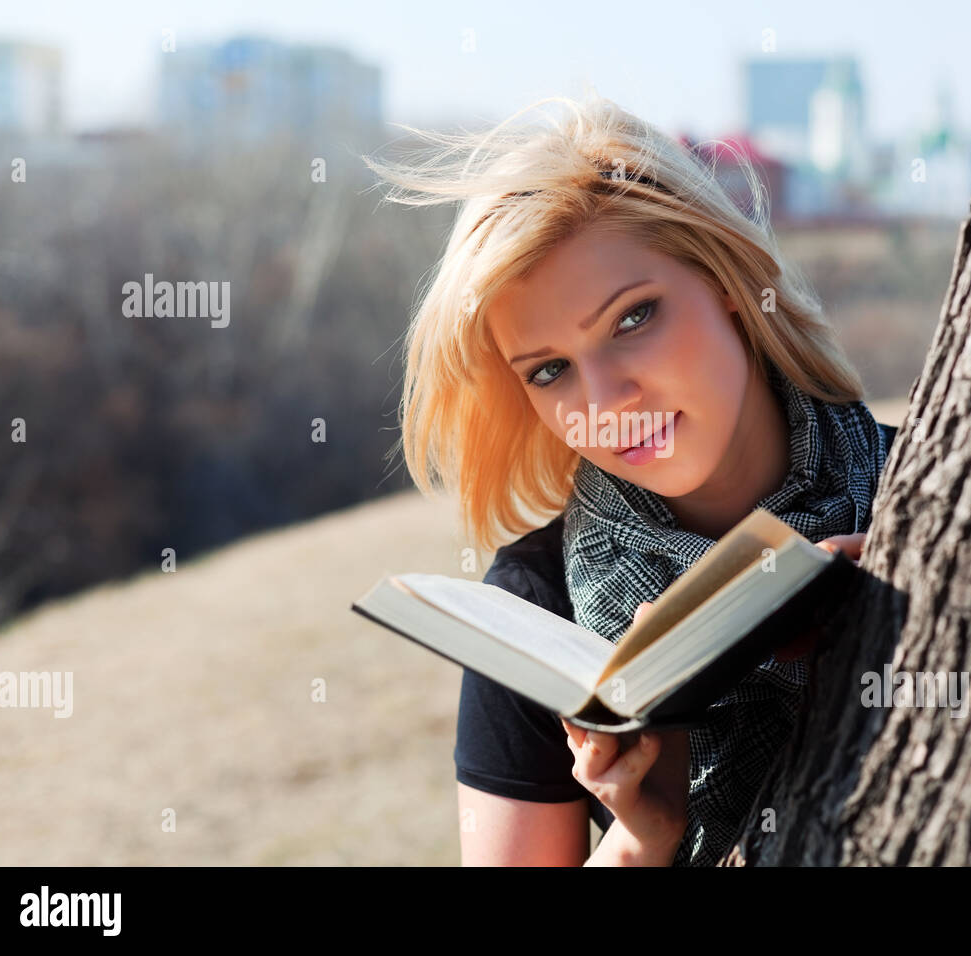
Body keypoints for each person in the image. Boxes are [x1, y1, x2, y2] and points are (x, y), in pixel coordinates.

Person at [364, 93, 893, 865]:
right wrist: (641, 840)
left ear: (725, 282)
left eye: (633, 320)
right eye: (549, 370)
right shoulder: (533, 616)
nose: (605, 403)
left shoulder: (930, 488)